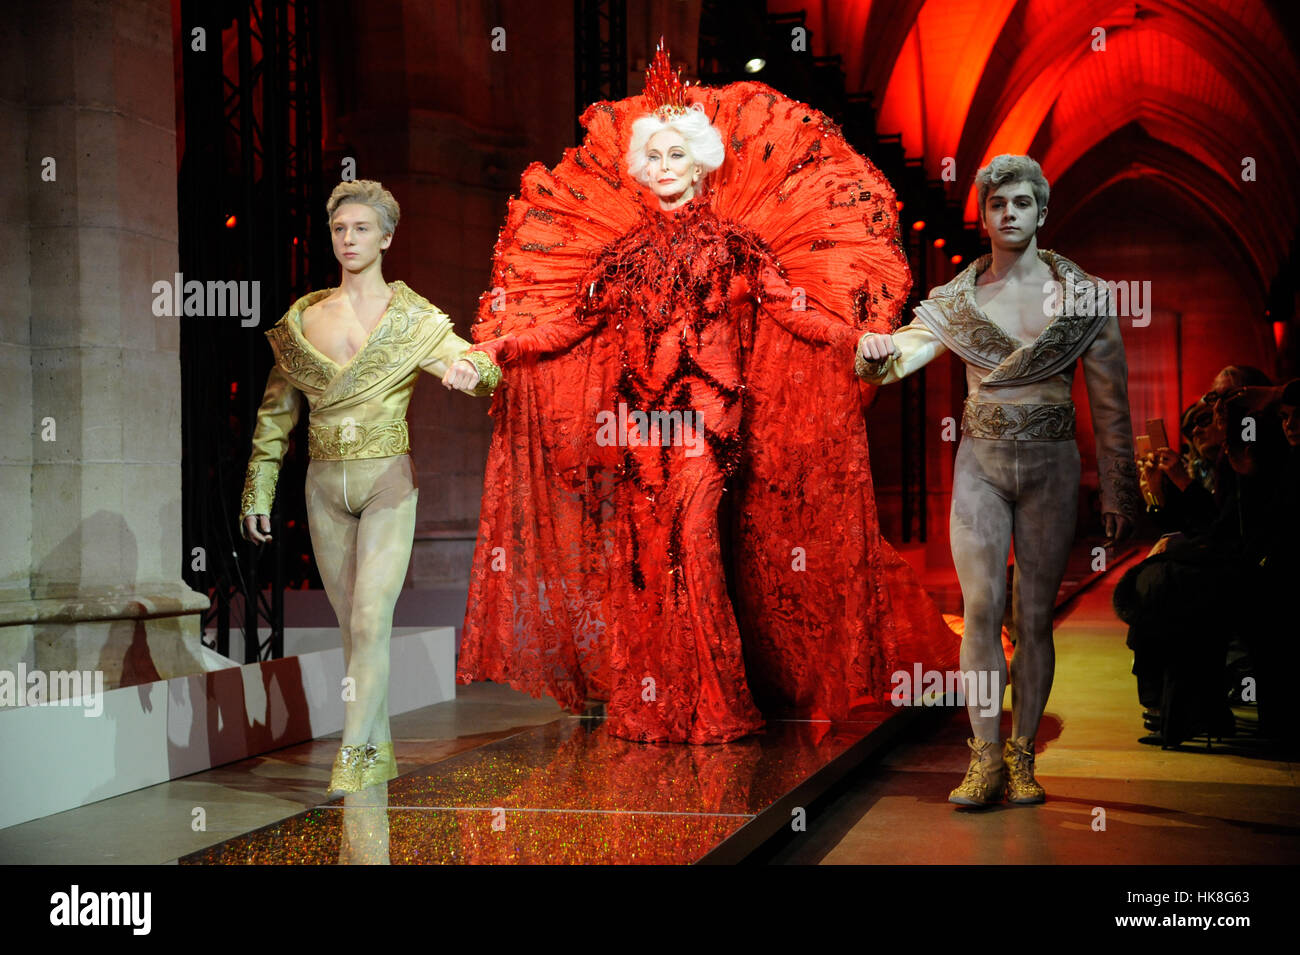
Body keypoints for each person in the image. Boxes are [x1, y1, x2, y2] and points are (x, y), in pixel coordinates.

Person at [456, 42, 959, 743]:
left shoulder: (737, 247)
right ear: (641, 167)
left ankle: (716, 702)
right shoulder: (620, 257)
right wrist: (496, 350)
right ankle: (654, 704)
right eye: (653, 157)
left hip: (707, 428)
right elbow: (567, 330)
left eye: (675, 155)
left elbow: (796, 313)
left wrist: (859, 342)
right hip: (640, 430)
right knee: (645, 557)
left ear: (700, 161)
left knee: (692, 543)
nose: (664, 168)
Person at [857, 154, 1139, 805]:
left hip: (1051, 465)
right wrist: (874, 352)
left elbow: (1112, 403)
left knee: (1033, 617)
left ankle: (1022, 757)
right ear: (984, 216)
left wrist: (1120, 488)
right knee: (981, 608)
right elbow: (902, 353)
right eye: (997, 204)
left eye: (1020, 202)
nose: (1009, 213)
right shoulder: (958, 302)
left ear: (1042, 211)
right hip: (980, 463)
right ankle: (983, 758)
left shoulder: (1086, 299)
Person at [238, 179, 500, 794]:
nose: (349, 239)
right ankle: (376, 748)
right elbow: (275, 415)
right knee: (348, 624)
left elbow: (482, 366)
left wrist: (472, 371)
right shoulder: (304, 319)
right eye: (339, 229)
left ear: (386, 237)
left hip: (388, 482)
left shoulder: (414, 320)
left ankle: (353, 754)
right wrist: (259, 489)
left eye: (361, 228)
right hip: (323, 485)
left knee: (370, 615)